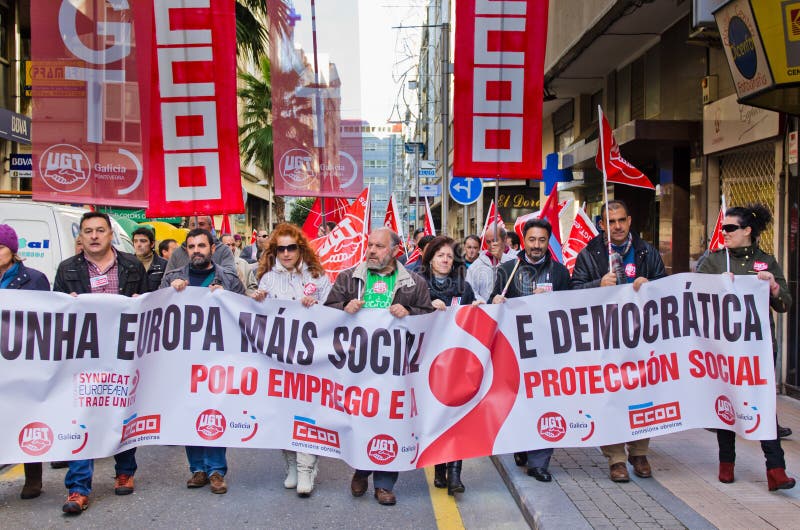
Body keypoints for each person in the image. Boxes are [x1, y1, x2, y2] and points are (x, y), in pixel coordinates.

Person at [325, 227, 434, 506]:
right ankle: (361, 470)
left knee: (392, 423)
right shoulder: (349, 278)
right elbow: (326, 314)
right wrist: (344, 306)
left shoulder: (414, 283)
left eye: (379, 246)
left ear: (395, 250)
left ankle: (385, 484)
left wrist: (410, 313)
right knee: (362, 422)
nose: (372, 250)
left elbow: (429, 320)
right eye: (370, 245)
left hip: (396, 370)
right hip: (357, 369)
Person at [53, 212, 148, 515]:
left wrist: (139, 300)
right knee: (82, 415)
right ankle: (78, 487)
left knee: (123, 409)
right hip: (85, 355)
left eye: (100, 230)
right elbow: (54, 310)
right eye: (88, 231)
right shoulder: (67, 269)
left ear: (110, 235)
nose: (94, 236)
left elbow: (148, 303)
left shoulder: (132, 265)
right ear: (80, 237)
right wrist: (64, 302)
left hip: (123, 352)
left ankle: (125, 470)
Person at [696, 204, 795, 491]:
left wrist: (773, 287)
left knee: (763, 403)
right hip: (723, 347)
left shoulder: (766, 261)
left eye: (730, 228)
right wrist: (715, 285)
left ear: (747, 231)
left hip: (757, 349)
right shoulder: (715, 261)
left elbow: (785, 303)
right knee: (726, 401)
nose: (724, 233)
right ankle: (726, 464)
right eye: (723, 228)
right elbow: (691, 294)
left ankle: (776, 469)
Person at [570, 200, 666, 483]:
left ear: (630, 220)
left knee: (642, 393)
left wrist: (651, 285)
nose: (617, 226)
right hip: (606, 337)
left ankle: (639, 451)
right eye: (611, 222)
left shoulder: (647, 251)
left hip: (641, 337)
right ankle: (616, 458)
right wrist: (596, 285)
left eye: (622, 220)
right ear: (602, 225)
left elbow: (665, 285)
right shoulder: (589, 254)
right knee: (610, 395)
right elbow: (574, 292)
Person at [250, 223, 332, 497]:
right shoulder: (268, 279)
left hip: (311, 357)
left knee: (307, 413)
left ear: (301, 248)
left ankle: (307, 466)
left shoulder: (318, 276)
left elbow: (334, 314)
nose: (286, 253)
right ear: (274, 250)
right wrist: (257, 300)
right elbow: (258, 319)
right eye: (281, 248)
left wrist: (316, 307)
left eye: (291, 247)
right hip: (278, 357)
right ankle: (291, 466)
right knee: (283, 412)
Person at [162, 228, 244, 495]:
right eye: (191, 246)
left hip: (218, 357)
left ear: (212, 248)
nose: (196, 250)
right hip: (183, 359)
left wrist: (227, 296)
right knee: (189, 409)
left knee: (215, 410)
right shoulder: (173, 277)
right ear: (186, 250)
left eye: (201, 245)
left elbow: (245, 311)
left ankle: (217, 470)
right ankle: (197, 469)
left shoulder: (228, 277)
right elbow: (156, 311)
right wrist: (170, 294)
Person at [491, 219, 571, 483]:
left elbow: (572, 307)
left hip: (547, 352)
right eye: (532, 240)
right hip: (514, 351)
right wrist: (497, 301)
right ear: (523, 240)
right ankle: (522, 445)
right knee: (519, 403)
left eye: (542, 240)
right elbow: (493, 305)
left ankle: (539, 462)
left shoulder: (559, 273)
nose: (537, 246)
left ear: (549, 242)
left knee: (544, 402)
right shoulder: (507, 269)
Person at [419, 236, 476, 495]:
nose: (444, 260)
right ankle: (439, 466)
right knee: (436, 416)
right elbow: (404, 313)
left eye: (449, 256)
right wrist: (425, 308)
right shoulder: (417, 286)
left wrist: (478, 309)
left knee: (456, 416)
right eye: (439, 255)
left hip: (457, 361)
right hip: (427, 363)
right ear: (430, 259)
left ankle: (455, 473)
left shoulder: (464, 288)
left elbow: (474, 319)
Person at [0, 224, 50, 499]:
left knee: (25, 414)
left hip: (24, 355)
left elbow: (47, 318)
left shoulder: (34, 278)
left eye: (0, 247)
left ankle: (33, 476)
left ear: (13, 250)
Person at [161, 216, 236, 282]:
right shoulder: (177, 253)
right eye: (193, 225)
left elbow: (231, 279)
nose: (197, 227)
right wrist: (177, 283)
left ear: (210, 227)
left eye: (201, 224)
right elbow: (166, 281)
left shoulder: (224, 250)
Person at [465, 223, 515, 302]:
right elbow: (470, 291)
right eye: (488, 242)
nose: (492, 245)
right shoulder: (476, 265)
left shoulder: (517, 258)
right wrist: (487, 305)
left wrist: (502, 257)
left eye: (495, 241)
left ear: (504, 239)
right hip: (486, 311)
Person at [132, 226, 167, 293]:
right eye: (135, 241)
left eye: (143, 241)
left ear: (152, 244)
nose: (138, 244)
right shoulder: (126, 264)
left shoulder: (164, 264)